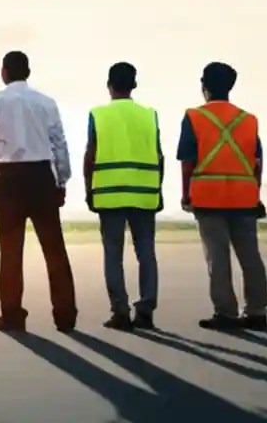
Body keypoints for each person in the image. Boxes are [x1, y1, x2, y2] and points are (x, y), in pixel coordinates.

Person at [0, 51, 77, 332]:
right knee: (54, 248)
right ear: (28, 72)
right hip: (41, 176)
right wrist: (62, 180)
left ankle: (11, 313)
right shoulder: (46, 102)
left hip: (8, 179)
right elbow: (59, 143)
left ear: (4, 72)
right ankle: (65, 314)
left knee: (10, 250)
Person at [178, 62, 267, 331]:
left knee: (217, 258)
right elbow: (256, 162)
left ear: (203, 86)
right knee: (250, 256)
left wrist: (186, 195)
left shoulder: (194, 117)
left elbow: (187, 161)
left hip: (209, 198)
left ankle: (226, 314)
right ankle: (257, 312)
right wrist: (256, 194)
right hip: (244, 198)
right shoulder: (248, 119)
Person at [83, 62, 163, 331]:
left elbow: (90, 156)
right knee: (146, 253)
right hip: (144, 194)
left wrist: (89, 190)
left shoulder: (98, 114)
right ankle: (146, 312)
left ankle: (120, 311)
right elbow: (159, 156)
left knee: (113, 254)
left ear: (109, 85)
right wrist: (158, 190)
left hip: (110, 195)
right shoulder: (149, 115)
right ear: (134, 85)